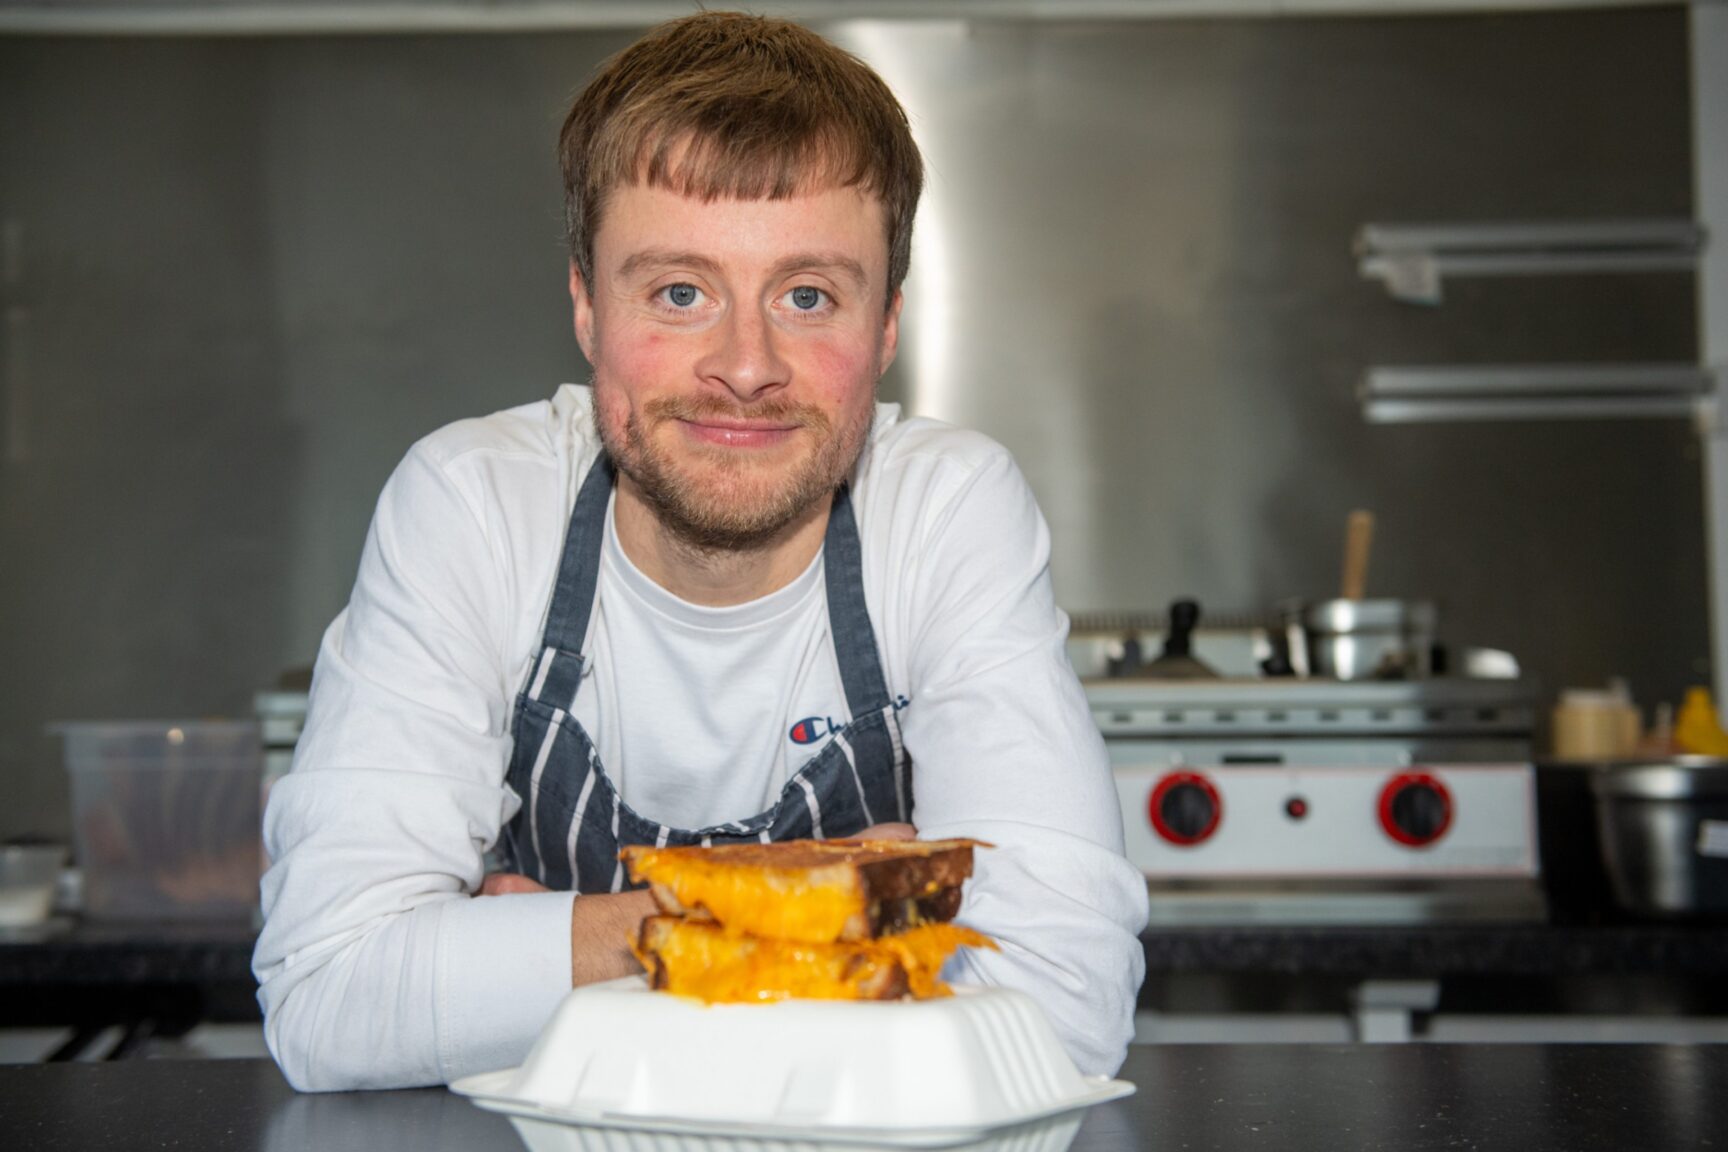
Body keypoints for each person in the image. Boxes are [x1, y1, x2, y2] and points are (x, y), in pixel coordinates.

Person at [253, 10, 1149, 1092]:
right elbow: (330, 998)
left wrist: (561, 947)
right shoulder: (476, 506)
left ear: (887, 328)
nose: (745, 365)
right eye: (680, 292)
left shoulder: (945, 513)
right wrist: (849, 919)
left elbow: (1066, 1008)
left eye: (807, 295)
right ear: (588, 307)